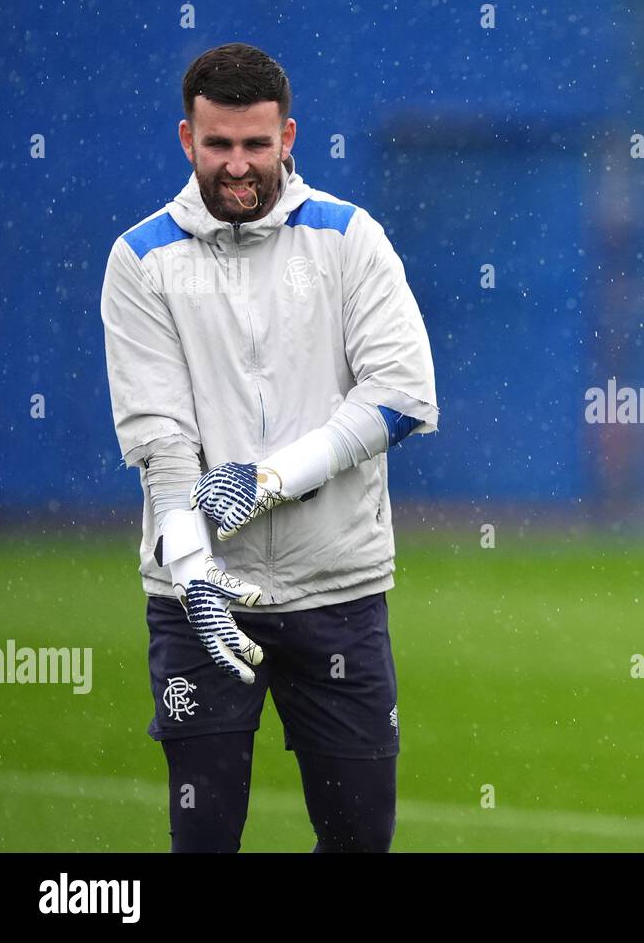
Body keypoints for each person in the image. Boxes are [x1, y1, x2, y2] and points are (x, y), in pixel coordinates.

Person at [100, 43, 439, 852]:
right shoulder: (141, 259)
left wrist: (270, 477)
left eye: (257, 144)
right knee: (205, 839)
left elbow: (402, 395)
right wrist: (193, 570)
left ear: (289, 136)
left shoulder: (350, 238)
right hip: (197, 598)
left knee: (360, 839)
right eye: (219, 145)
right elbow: (161, 436)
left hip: (338, 591)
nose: (238, 166)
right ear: (188, 139)